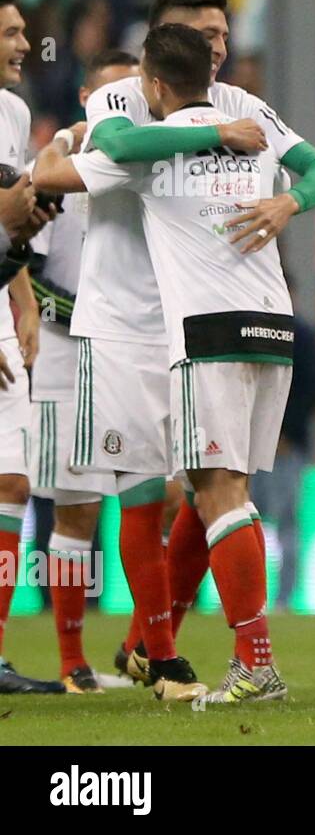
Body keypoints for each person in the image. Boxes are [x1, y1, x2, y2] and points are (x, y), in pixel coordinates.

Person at [34, 0, 315, 701]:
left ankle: (200, 649)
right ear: (167, 45)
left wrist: (284, 197)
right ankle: (140, 651)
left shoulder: (226, 114)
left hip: (199, 324)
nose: (218, 44)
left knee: (210, 491)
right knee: (158, 493)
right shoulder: (134, 101)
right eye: (203, 33)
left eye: (223, 32)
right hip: (167, 320)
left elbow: (76, 168)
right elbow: (68, 166)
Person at [27, 50, 138, 693]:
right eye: (109, 93)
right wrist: (92, 315)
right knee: (76, 509)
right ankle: (72, 663)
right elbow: (27, 272)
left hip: (140, 351)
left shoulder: (149, 165)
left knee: (170, 494)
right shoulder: (55, 172)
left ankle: (144, 647)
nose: (120, 107)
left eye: (132, 93)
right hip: (69, 353)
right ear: (85, 96)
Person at [0, 0, 61, 695]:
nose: (23, 44)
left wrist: (23, 303)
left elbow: (12, 220)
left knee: (13, 480)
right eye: (11, 33)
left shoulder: (13, 112)